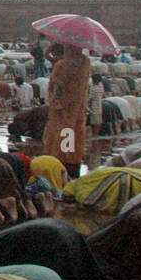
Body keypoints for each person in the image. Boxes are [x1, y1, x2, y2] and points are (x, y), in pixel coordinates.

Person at [42, 42, 91, 178]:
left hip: (63, 111)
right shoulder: (85, 63)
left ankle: (61, 167)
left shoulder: (61, 66)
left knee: (61, 138)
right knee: (73, 138)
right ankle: (71, 165)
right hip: (78, 110)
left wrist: (49, 52)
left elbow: (56, 90)